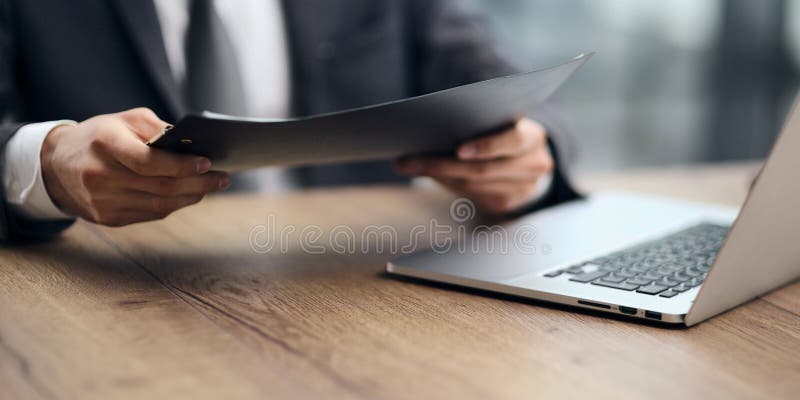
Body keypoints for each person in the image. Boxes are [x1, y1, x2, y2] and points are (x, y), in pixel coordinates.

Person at [0, 0, 579, 242]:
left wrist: (525, 158)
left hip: (353, 282)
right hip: (106, 300)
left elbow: (511, 90)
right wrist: (43, 163)